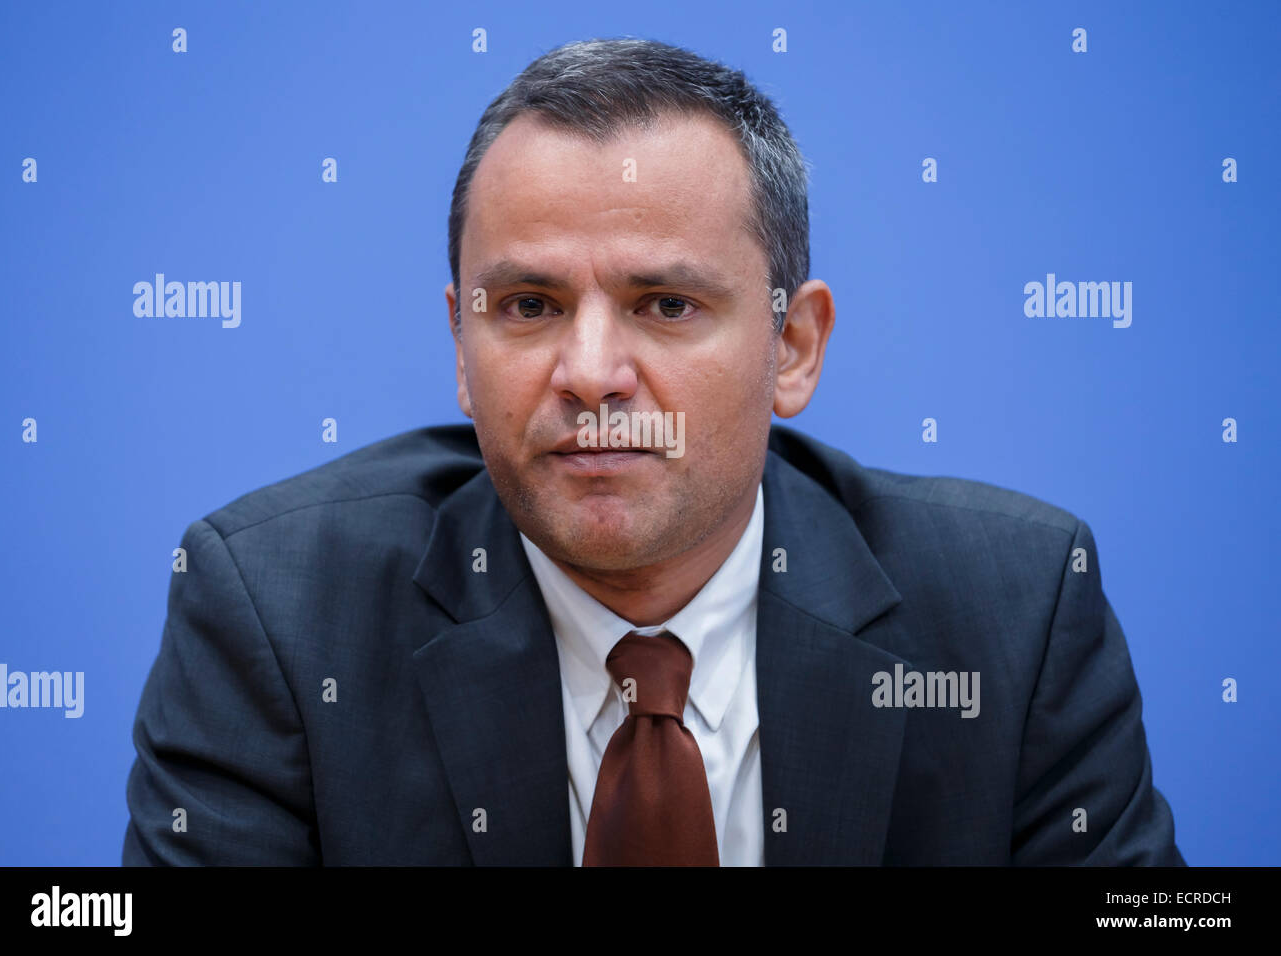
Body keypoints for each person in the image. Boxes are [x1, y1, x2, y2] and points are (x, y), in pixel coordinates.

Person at [122, 37, 1183, 866]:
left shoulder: (1013, 611)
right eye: (529, 304)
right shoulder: (276, 612)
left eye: (665, 303)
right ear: (460, 344)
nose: (588, 371)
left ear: (793, 347)